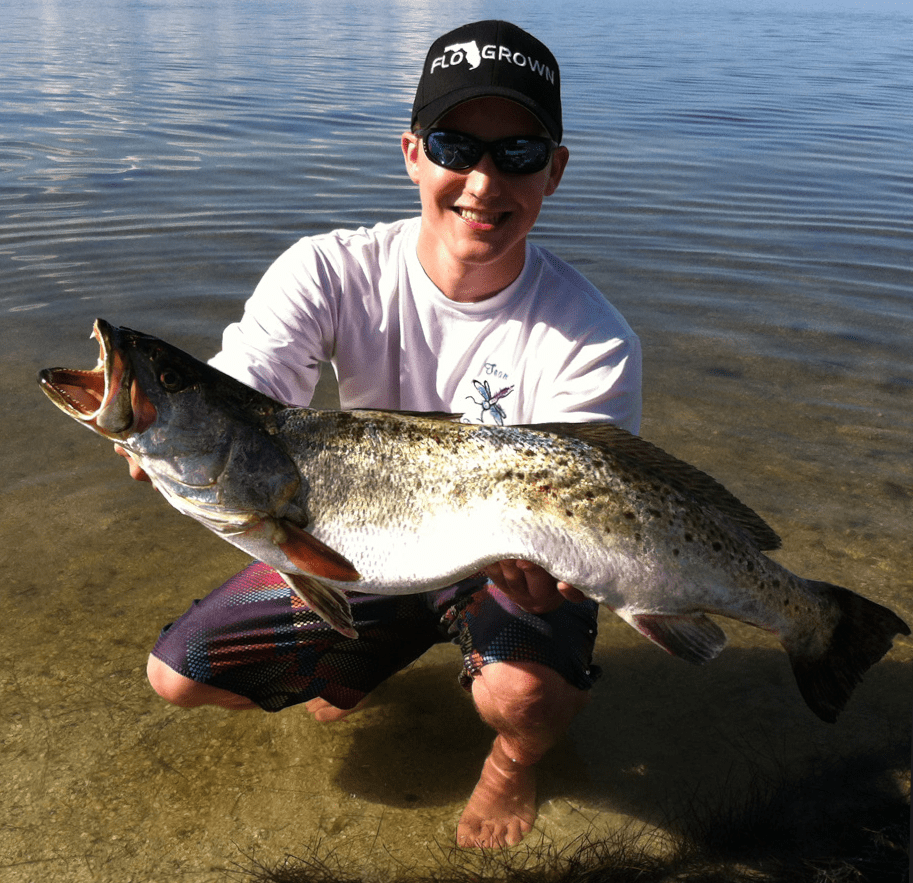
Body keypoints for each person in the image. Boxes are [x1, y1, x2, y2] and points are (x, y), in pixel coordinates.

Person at [129, 20, 642, 849]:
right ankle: (367, 655)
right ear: (410, 152)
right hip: (361, 541)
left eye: (515, 153)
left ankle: (514, 761)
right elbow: (248, 399)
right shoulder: (327, 269)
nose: (481, 180)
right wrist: (164, 428)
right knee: (177, 675)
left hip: (497, 563)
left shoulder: (593, 336)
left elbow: (604, 493)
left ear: (555, 169)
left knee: (520, 695)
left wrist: (574, 575)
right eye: (454, 145)